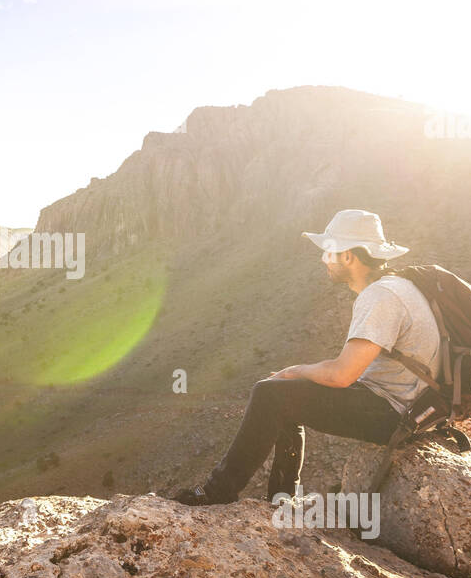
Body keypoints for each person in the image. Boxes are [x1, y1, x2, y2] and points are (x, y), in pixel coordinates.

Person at [172, 209, 441, 505]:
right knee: (281, 393)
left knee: (270, 395)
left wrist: (294, 371)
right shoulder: (397, 286)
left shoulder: (380, 297)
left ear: (349, 257)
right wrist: (293, 375)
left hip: (395, 413)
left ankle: (218, 491)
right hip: (410, 403)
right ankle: (282, 498)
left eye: (328, 252)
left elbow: (341, 375)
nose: (323, 259)